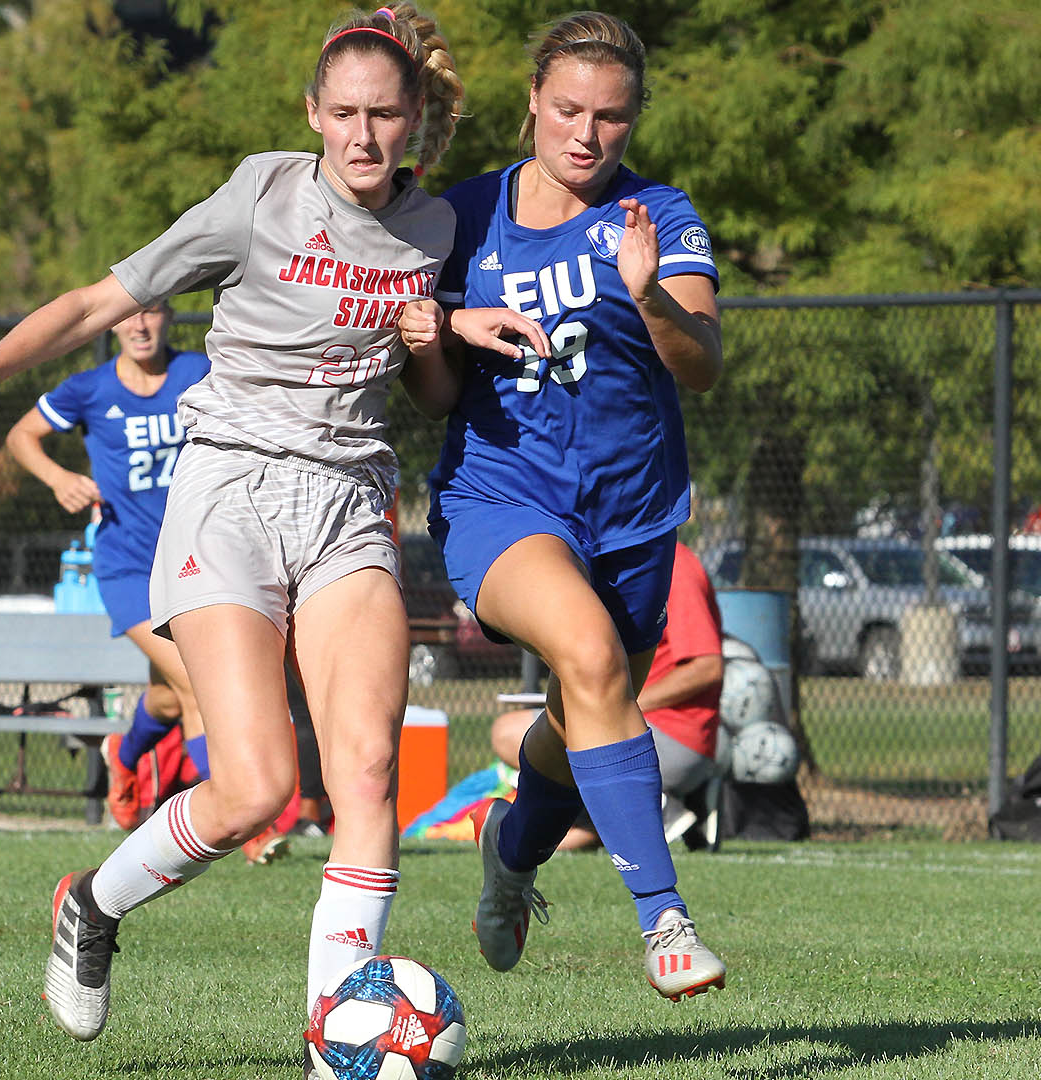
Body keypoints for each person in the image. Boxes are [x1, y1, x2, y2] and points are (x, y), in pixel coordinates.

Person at [0, 2, 545, 1043]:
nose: (361, 135)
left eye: (383, 114)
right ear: (311, 112)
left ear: (415, 117)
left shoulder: (435, 229)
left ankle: (333, 1037)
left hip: (349, 502)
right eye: (342, 111)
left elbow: (431, 395)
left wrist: (439, 335)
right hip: (233, 493)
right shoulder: (259, 195)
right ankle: (92, 904)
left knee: (369, 771)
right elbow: (94, 302)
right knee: (256, 788)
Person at [400, 10, 728, 1000]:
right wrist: (432, 337)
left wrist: (650, 299)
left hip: (631, 513)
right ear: (534, 103)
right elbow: (437, 396)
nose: (587, 135)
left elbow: (702, 367)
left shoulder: (659, 217)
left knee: (581, 713)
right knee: (589, 662)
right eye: (569, 110)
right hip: (500, 496)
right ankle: (666, 923)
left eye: (612, 117)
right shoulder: (464, 216)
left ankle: (510, 851)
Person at [2, 300, 294, 854]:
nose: (139, 325)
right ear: (111, 322)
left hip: (198, 558)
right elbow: (21, 436)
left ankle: (126, 752)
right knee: (193, 683)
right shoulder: (88, 389)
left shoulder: (196, 372)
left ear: (167, 318)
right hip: (127, 568)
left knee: (167, 694)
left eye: (152, 312)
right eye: (127, 315)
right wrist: (59, 478)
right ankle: (243, 826)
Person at [487, 539, 722, 851]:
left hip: (674, 737)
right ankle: (623, 817)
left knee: (509, 732)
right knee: (544, 845)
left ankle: (658, 806)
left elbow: (707, 666)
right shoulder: (604, 556)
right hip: (624, 719)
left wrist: (625, 701)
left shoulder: (674, 563)